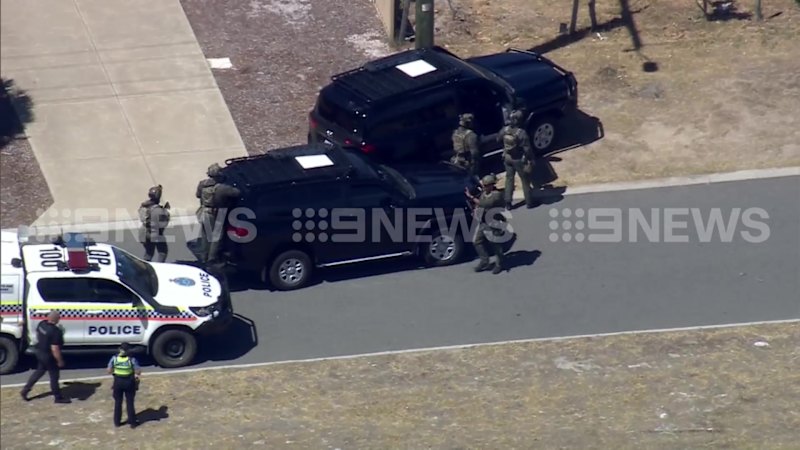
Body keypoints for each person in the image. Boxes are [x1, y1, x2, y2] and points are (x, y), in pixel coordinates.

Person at [195, 163, 241, 266]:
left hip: (203, 211)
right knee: (216, 237)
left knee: (205, 235)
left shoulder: (202, 184)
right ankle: (212, 258)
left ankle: (203, 256)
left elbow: (198, 195)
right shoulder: (223, 188)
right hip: (215, 213)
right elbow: (237, 193)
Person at [20, 311, 70, 403]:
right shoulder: (55, 331)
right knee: (54, 376)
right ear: (56, 320)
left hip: (39, 351)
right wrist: (60, 360)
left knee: (39, 372)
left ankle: (25, 390)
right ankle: (58, 397)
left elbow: (39, 333)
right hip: (48, 355)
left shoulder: (42, 324)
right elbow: (55, 348)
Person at [465, 174, 507, 274]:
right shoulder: (484, 193)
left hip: (494, 221)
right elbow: (480, 204)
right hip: (484, 221)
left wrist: (470, 197)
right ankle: (485, 260)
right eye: (484, 185)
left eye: (486, 185)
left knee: (495, 244)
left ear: (491, 185)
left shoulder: (496, 195)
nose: (484, 187)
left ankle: (499, 263)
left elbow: (485, 204)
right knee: (477, 242)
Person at [498, 110, 535, 209]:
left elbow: (498, 139)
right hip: (518, 159)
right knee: (525, 180)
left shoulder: (504, 130)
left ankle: (508, 203)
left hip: (507, 157)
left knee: (509, 179)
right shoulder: (521, 133)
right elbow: (527, 150)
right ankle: (529, 202)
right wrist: (530, 160)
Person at [107, 343, 142, 428]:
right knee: (130, 402)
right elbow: (138, 371)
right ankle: (132, 422)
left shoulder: (114, 358)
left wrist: (116, 372)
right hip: (129, 382)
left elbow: (109, 370)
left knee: (118, 402)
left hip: (118, 382)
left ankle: (117, 422)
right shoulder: (131, 359)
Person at [138, 185, 171, 262]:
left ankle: (145, 266)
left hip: (144, 232)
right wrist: (166, 211)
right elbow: (163, 224)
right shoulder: (159, 210)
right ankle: (160, 267)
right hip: (155, 233)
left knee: (149, 252)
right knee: (162, 252)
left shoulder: (143, 206)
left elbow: (143, 218)